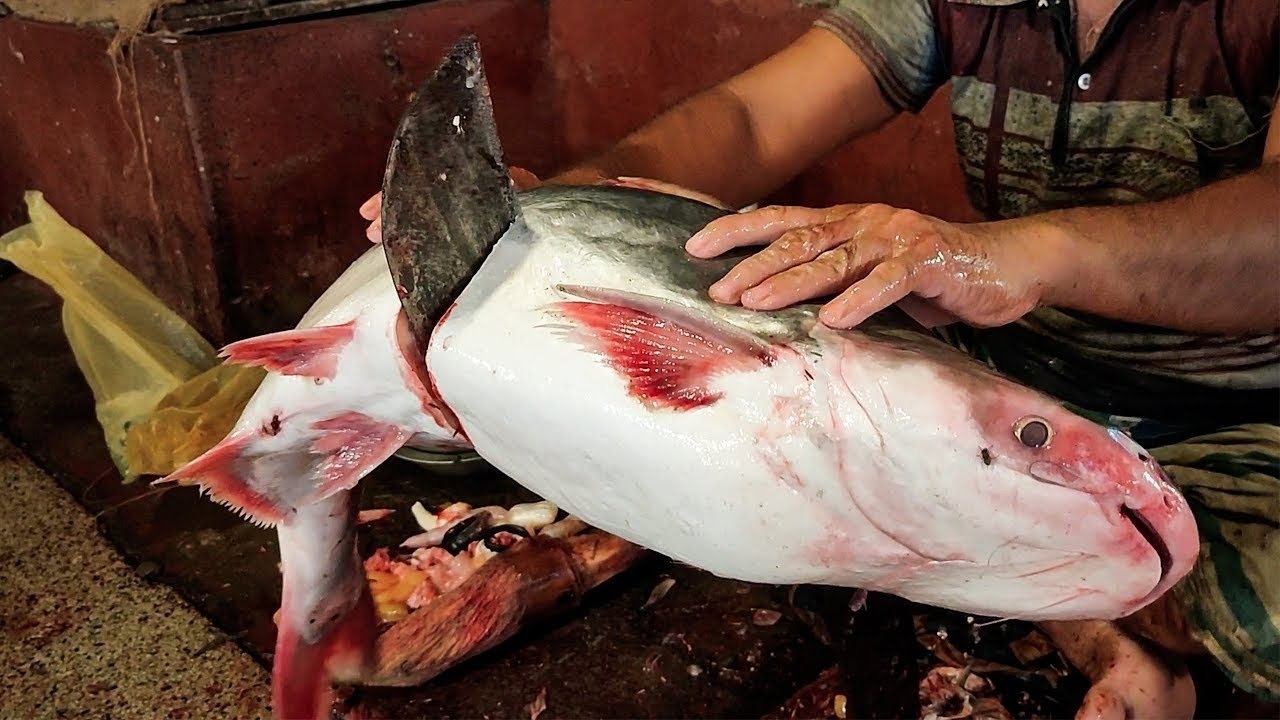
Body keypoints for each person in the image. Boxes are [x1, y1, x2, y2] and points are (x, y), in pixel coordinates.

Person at [363, 1, 1280, 716]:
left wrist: (1017, 256)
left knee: (1262, 612)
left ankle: (1098, 616)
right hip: (1009, 384)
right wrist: (560, 214)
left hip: (1237, 410)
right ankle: (1104, 622)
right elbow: (753, 120)